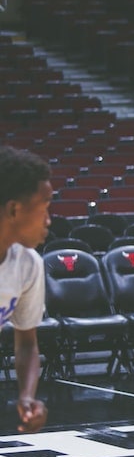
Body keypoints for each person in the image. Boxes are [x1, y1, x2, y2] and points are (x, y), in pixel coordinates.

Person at [0, 146, 51, 434]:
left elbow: (27, 342)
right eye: (44, 206)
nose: (48, 220)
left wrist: (27, 396)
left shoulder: (28, 264)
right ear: (14, 210)